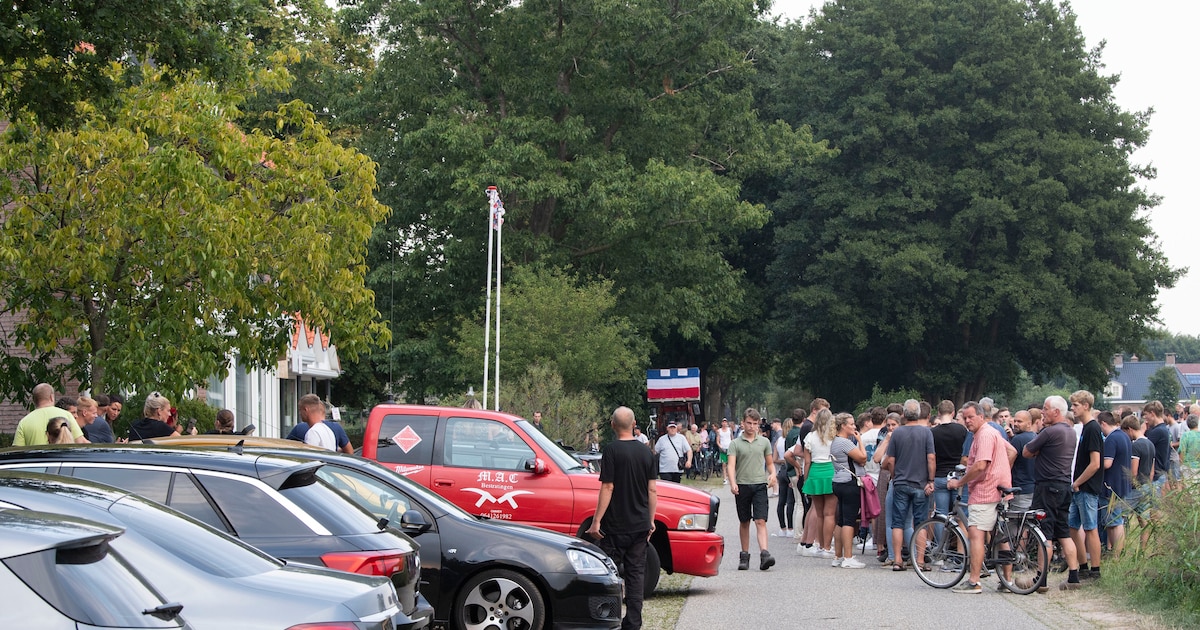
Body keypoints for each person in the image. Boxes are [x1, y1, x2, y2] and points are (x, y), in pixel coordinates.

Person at [586, 407, 656, 630]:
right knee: (636, 575)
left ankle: (606, 618)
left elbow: (608, 486)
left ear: (612, 424)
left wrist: (596, 520)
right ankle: (633, 622)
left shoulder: (611, 451)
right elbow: (652, 490)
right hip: (640, 525)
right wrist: (651, 520)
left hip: (615, 526)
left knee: (608, 574)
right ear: (635, 423)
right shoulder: (647, 453)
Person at [946, 402, 1014, 594]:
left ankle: (974, 581)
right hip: (1000, 490)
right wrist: (1002, 471)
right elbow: (1012, 452)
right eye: (965, 418)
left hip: (985, 492)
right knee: (1001, 536)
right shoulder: (993, 432)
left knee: (976, 535)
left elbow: (980, 465)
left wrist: (960, 483)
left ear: (981, 416)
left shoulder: (983, 435)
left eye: (970, 417)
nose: (967, 421)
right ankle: (1007, 580)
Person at [1024, 395, 1083, 591]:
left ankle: (1041, 580)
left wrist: (1038, 449)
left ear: (1056, 412)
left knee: (1044, 534)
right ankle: (1074, 576)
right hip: (1065, 485)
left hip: (1047, 486)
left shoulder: (1049, 432)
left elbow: (1026, 451)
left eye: (1045, 408)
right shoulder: (1070, 431)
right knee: (1064, 532)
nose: (1042, 411)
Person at [883, 399, 935, 571]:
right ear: (920, 414)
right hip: (921, 483)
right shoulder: (926, 433)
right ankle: (919, 560)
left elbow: (890, 459)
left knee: (898, 522)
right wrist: (931, 480)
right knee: (920, 523)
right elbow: (931, 458)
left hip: (901, 482)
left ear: (903, 414)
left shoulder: (897, 433)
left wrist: (895, 476)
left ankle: (897, 559)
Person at [727, 408, 776, 570]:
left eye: (755, 424)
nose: (752, 426)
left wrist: (773, 474)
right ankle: (744, 555)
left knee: (760, 520)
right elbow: (731, 465)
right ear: (743, 423)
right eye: (749, 423)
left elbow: (770, 463)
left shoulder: (764, 442)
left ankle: (764, 553)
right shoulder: (735, 443)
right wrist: (732, 482)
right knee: (744, 521)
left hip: (760, 484)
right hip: (742, 485)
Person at [1067, 390, 1104, 580]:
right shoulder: (1084, 428)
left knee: (1090, 528)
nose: (1072, 408)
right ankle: (1082, 565)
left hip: (1086, 488)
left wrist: (1077, 482)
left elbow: (1095, 463)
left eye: (1075, 405)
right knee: (1072, 527)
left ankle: (1095, 569)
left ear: (1086, 405)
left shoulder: (1092, 429)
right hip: (1079, 488)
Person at [797, 407, 837, 558]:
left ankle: (820, 545)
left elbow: (807, 462)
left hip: (815, 472)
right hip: (830, 471)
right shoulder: (834, 437)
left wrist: (806, 479)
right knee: (830, 513)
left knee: (819, 513)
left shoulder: (810, 437)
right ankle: (827, 546)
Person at [829, 413, 868, 568]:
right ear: (843, 425)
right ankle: (848, 557)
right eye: (851, 424)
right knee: (849, 520)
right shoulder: (845, 443)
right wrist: (860, 441)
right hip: (850, 482)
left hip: (838, 481)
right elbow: (862, 458)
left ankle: (838, 556)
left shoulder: (834, 442)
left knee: (841, 520)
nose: (854, 427)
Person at [1098, 411, 1131, 557]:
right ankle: (1116, 553)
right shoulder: (1123, 435)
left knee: (1115, 523)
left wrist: (1093, 464)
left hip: (1111, 486)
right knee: (1113, 522)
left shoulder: (1111, 439)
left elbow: (1107, 463)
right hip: (1122, 485)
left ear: (1103, 423)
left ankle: (1118, 555)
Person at [12, 384, 89, 446]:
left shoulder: (24, 422)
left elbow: (16, 451)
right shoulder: (66, 415)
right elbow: (81, 442)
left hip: (36, 464)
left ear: (34, 400)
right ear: (51, 397)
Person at [1008, 409, 1038, 511]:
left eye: (1020, 422)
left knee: (1015, 524)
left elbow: (1009, 463)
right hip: (1034, 488)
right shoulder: (1036, 437)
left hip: (1020, 488)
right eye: (1015, 421)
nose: (1016, 424)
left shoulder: (1017, 440)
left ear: (1029, 424)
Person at [773, 418, 797, 537]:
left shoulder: (778, 441)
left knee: (781, 501)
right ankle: (791, 527)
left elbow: (774, 459)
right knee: (791, 501)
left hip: (781, 470)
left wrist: (781, 460)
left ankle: (782, 527)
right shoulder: (792, 440)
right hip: (790, 469)